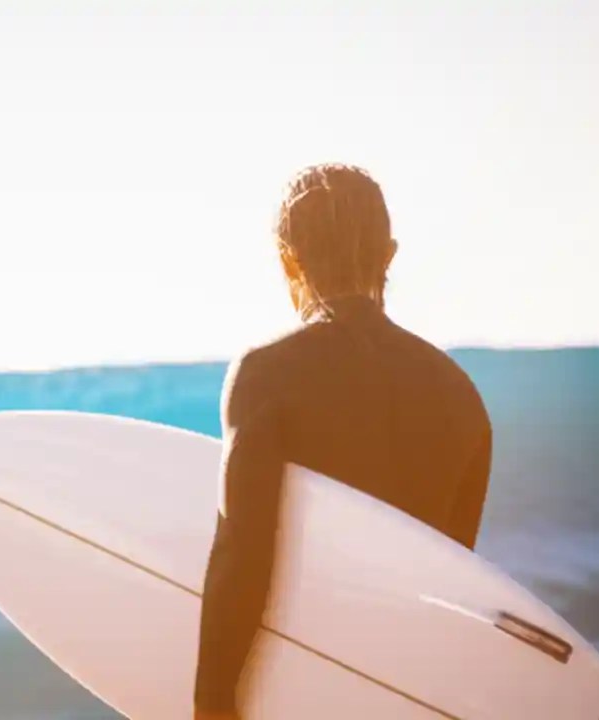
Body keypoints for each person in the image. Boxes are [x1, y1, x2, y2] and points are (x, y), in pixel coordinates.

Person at [192, 163, 493, 719]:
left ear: (288, 259)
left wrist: (212, 705)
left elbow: (243, 554)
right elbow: (452, 582)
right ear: (390, 255)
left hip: (304, 691)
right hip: (407, 693)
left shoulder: (267, 375)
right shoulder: (462, 398)